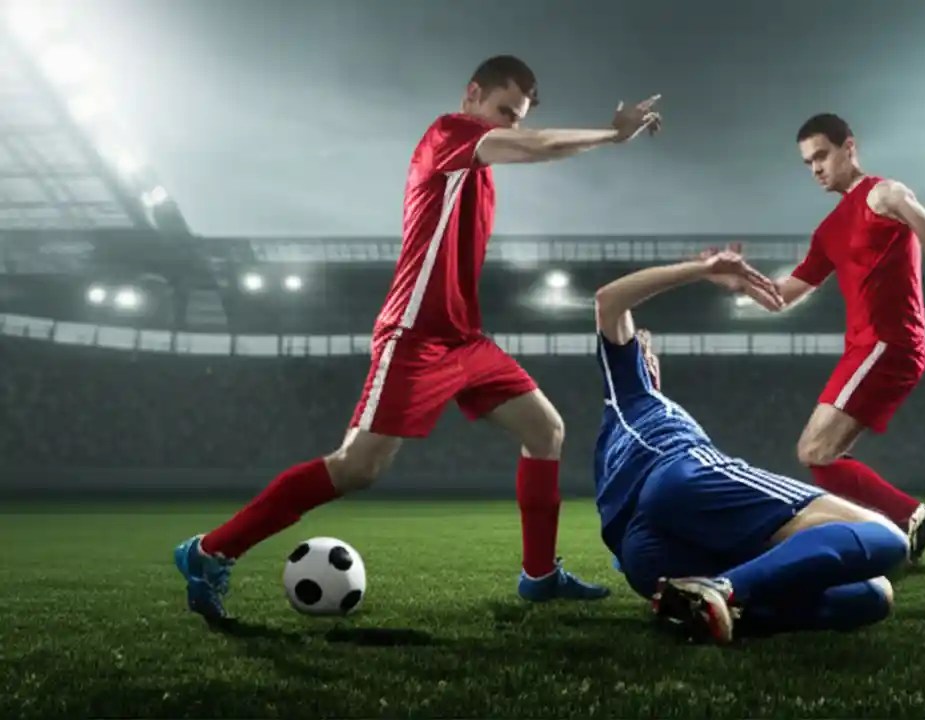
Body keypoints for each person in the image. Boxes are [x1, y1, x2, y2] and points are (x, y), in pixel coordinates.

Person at [174, 55, 664, 620]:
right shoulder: (449, 134)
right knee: (358, 466)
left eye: (519, 117)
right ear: (472, 95)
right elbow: (539, 148)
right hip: (414, 334)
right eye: (503, 110)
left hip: (463, 339)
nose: (511, 125)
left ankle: (539, 576)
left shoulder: (479, 165)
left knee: (545, 429)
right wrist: (612, 133)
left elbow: (527, 147)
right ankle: (210, 551)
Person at [592, 251, 910, 644]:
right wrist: (702, 269)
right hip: (682, 477)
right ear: (640, 363)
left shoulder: (615, 438)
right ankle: (724, 590)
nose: (649, 351)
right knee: (885, 538)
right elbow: (609, 299)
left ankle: (707, 607)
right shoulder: (630, 391)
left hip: (644, 558)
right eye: (644, 349)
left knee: (871, 596)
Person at [727, 113, 925, 563]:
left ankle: (903, 519)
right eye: (807, 162)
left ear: (848, 147)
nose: (815, 168)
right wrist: (740, 285)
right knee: (818, 454)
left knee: (817, 451)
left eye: (822, 155)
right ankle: (907, 521)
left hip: (889, 343)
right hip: (861, 349)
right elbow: (783, 297)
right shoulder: (828, 231)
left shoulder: (883, 193)